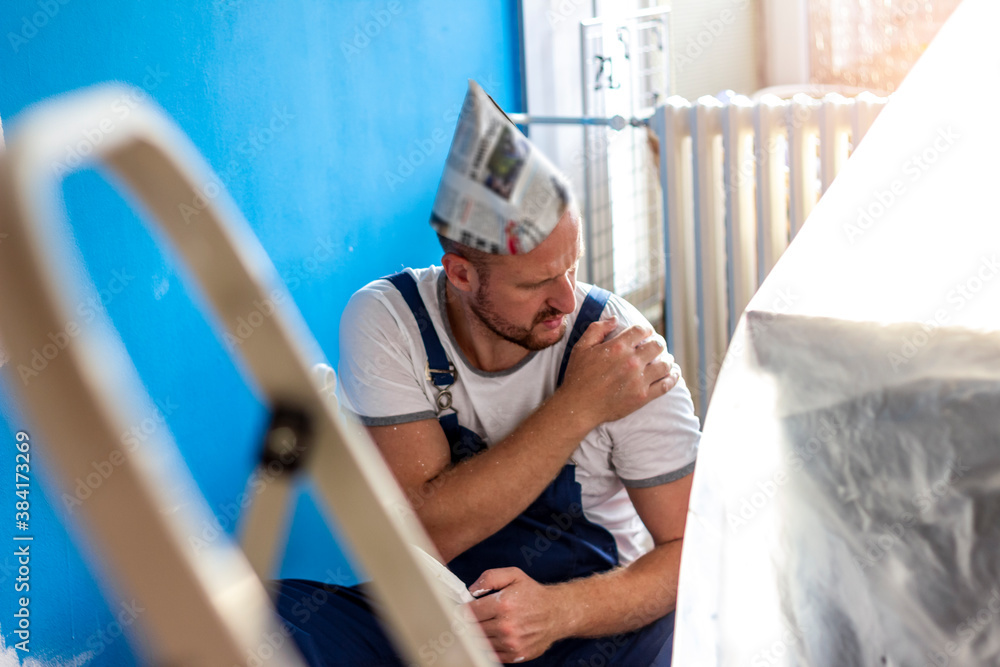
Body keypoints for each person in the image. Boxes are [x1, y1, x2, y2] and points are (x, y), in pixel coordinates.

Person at [272, 81, 701, 666]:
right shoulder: (389, 320)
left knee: (685, 636)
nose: (566, 300)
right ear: (462, 275)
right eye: (534, 283)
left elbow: (694, 550)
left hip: (584, 625)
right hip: (435, 621)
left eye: (571, 268)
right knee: (262, 620)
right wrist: (578, 406)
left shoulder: (616, 346)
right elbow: (426, 533)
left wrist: (557, 613)